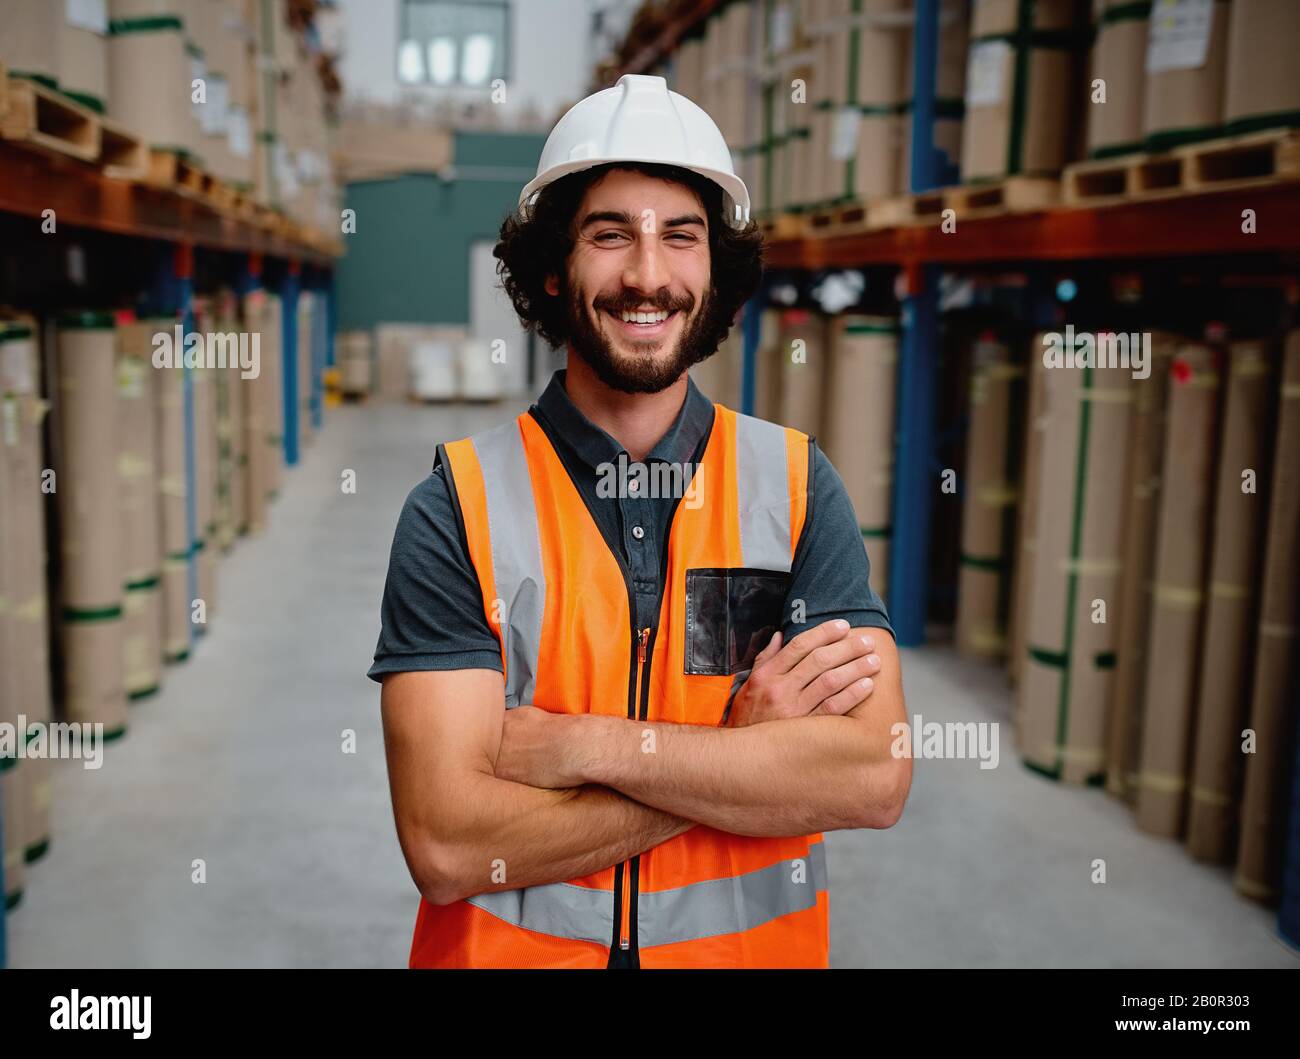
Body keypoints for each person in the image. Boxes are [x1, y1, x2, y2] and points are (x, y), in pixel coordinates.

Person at [369, 75, 910, 968]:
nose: (648, 274)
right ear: (553, 267)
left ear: (715, 271)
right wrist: (739, 756)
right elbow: (448, 844)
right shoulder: (456, 508)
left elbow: (874, 774)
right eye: (610, 233)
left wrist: (585, 744)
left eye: (681, 236)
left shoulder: (796, 487)